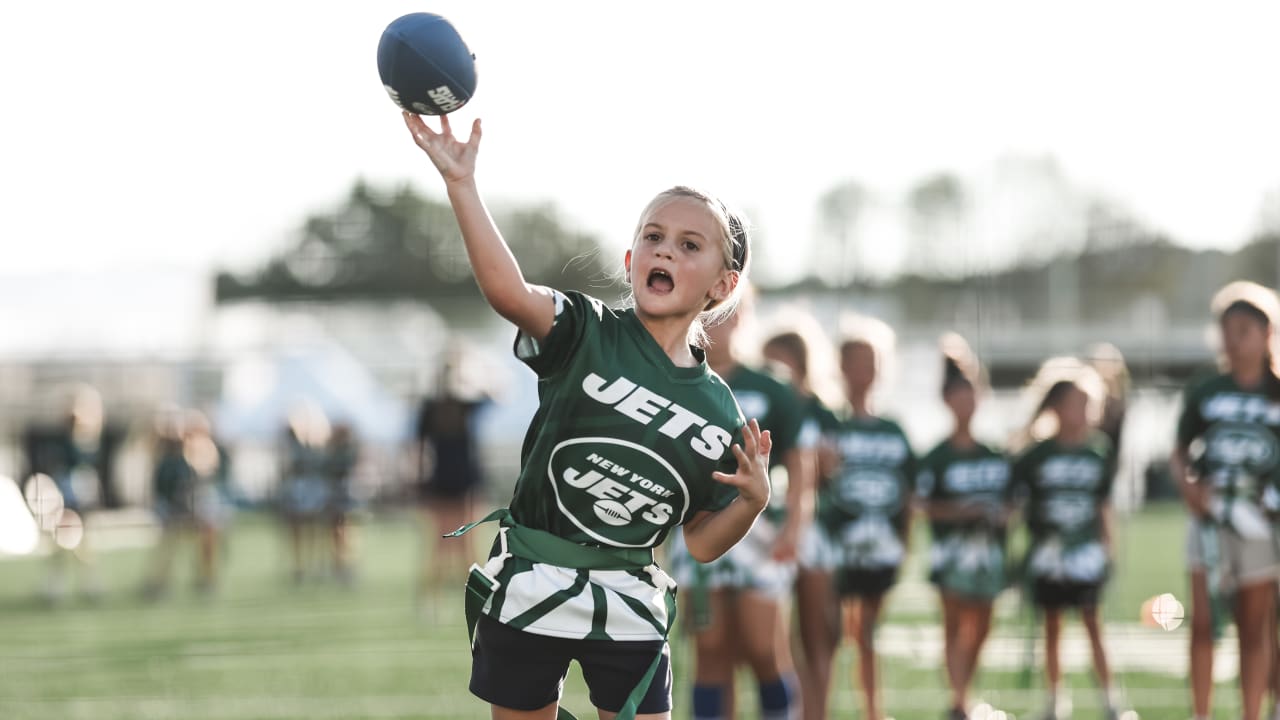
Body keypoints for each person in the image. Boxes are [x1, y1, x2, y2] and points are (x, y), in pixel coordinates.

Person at [403, 111, 772, 720]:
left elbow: (702, 542)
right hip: (533, 576)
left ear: (723, 285)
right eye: (653, 236)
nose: (665, 249)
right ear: (630, 258)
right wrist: (461, 185)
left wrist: (751, 502)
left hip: (630, 596)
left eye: (689, 245)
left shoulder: (718, 412)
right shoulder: (586, 331)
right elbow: (509, 292)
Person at [667, 295, 816, 720]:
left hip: (761, 531)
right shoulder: (676, 380)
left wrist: (795, 528)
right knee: (710, 650)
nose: (716, 322)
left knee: (763, 648)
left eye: (725, 312)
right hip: (698, 525)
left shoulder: (772, 386)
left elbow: (802, 465)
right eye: (707, 312)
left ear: (742, 315)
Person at [1174, 281, 1280, 720]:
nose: (1233, 342)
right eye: (1226, 332)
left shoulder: (1276, 391)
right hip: (1211, 519)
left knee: (1254, 628)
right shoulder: (1207, 389)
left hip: (1260, 523)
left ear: (1266, 333)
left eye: (1243, 331)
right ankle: (1202, 715)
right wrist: (1189, 487)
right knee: (1203, 624)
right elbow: (1179, 450)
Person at [799, 315, 914, 720]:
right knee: (825, 636)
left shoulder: (894, 431)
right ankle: (819, 711)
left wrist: (904, 543)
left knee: (867, 634)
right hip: (832, 547)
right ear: (840, 366)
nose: (863, 371)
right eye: (855, 362)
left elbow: (907, 495)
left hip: (879, 548)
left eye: (871, 362)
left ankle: (873, 712)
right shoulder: (827, 423)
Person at [1012, 358, 1121, 720]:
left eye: (1088, 404)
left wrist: (1108, 548)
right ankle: (1055, 700)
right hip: (1049, 554)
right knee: (1053, 626)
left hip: (1085, 552)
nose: (1084, 412)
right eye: (1077, 404)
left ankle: (1110, 699)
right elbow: (1017, 501)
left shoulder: (1098, 451)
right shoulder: (1036, 455)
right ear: (1057, 407)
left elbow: (1103, 505)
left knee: (1093, 623)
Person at [916, 334, 1012, 720]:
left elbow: (1013, 501)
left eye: (971, 394)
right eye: (959, 396)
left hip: (988, 553)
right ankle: (959, 702)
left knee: (983, 625)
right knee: (955, 625)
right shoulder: (937, 456)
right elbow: (921, 505)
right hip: (951, 552)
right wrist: (960, 512)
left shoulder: (995, 453)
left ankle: (964, 695)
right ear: (947, 400)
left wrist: (1002, 515)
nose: (966, 403)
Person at [761, 319, 844, 720]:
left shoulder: (822, 412)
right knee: (773, 638)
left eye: (779, 363)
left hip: (814, 531)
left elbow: (833, 471)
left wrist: (823, 466)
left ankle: (816, 713)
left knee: (817, 636)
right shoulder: (763, 405)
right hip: (767, 528)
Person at [414, 349, 488, 599]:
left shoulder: (466, 405)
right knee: (443, 543)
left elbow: (493, 394)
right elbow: (419, 449)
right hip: (445, 481)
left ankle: (467, 593)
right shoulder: (432, 408)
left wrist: (467, 377)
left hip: (463, 480)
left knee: (465, 543)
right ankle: (434, 594)